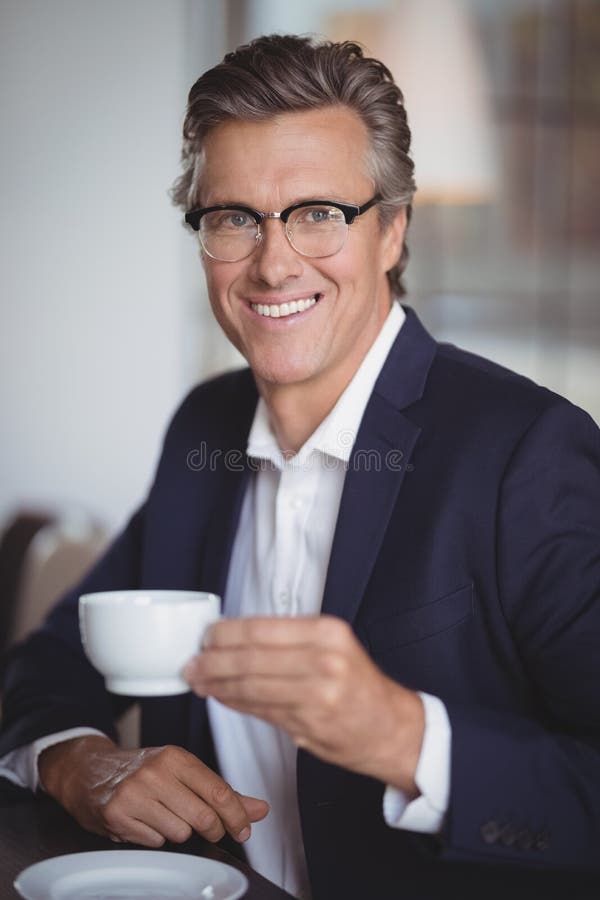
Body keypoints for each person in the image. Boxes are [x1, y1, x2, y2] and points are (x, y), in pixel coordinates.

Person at [1, 34, 599, 900]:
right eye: (233, 217)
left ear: (392, 230)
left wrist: (406, 736)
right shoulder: (201, 433)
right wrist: (79, 763)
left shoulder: (527, 453)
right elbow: (48, 663)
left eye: (319, 212)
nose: (273, 261)